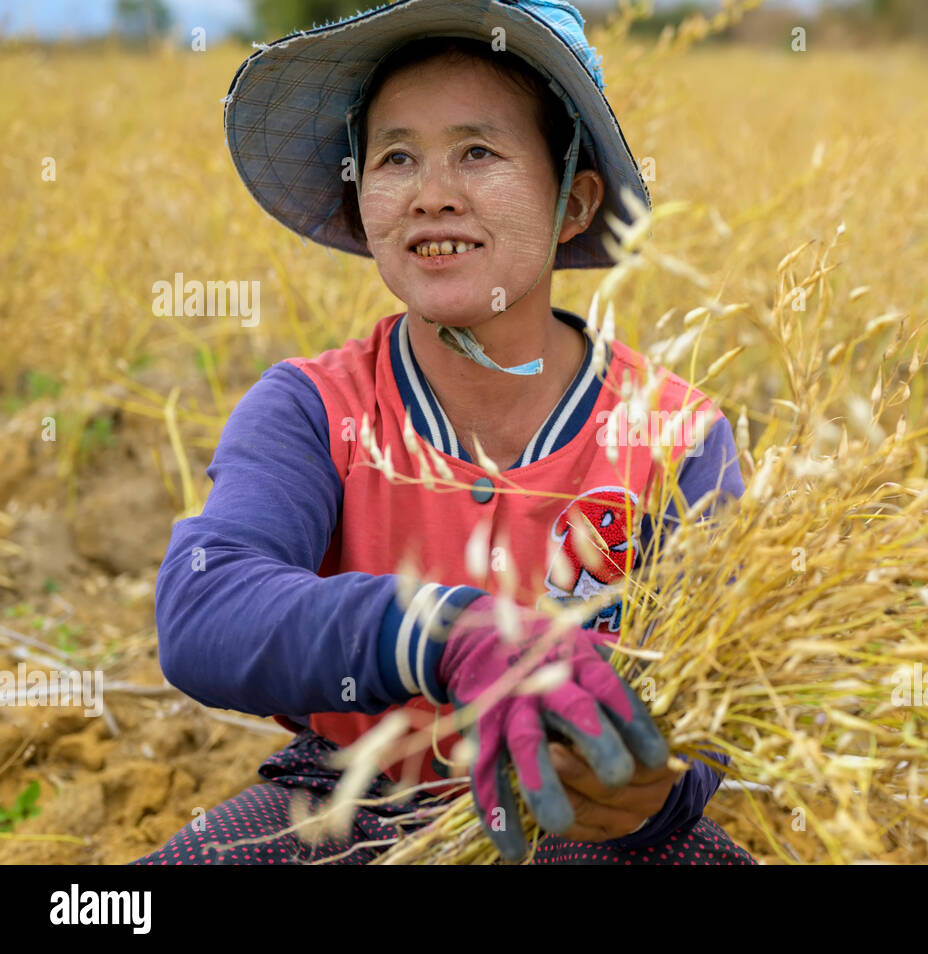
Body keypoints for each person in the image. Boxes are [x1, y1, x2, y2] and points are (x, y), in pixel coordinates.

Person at [133, 0, 755, 865]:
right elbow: (205, 607)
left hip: (579, 824)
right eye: (396, 158)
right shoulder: (313, 409)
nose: (432, 195)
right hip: (352, 801)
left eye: (479, 152)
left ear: (572, 202)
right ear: (362, 207)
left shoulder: (677, 436)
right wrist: (447, 633)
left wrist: (656, 789)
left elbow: (718, 698)